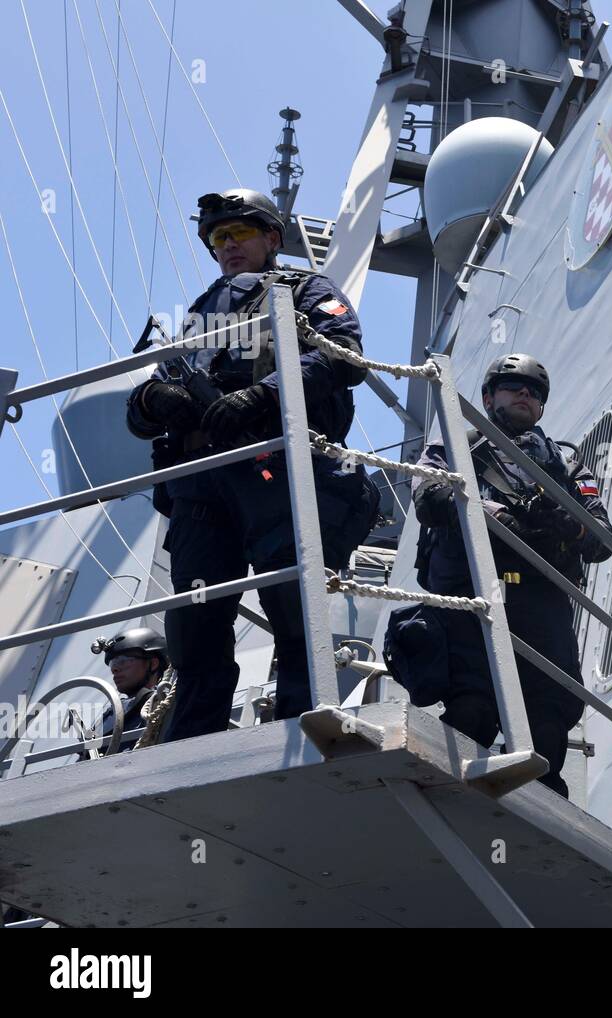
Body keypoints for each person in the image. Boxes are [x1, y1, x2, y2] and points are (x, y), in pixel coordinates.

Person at [125, 188, 378, 741]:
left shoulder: (304, 290)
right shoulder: (197, 316)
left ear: (271, 238)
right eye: (218, 238)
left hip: (274, 470)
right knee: (194, 627)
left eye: (239, 233)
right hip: (201, 490)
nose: (228, 245)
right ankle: (187, 749)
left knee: (293, 612)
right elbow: (143, 405)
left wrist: (263, 394)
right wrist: (153, 401)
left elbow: (342, 351)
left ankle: (299, 735)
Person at [385, 353, 612, 798]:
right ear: (489, 398)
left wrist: (566, 521)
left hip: (541, 601)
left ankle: (541, 813)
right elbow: (429, 495)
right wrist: (486, 512)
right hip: (474, 595)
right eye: (513, 387)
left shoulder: (565, 466)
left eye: (534, 392)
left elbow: (601, 540)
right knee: (472, 708)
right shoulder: (458, 444)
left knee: (547, 720)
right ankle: (444, 799)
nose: (525, 395)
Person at [79, 627, 168, 757]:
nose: (114, 669)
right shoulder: (109, 714)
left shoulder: (166, 701)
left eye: (123, 661)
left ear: (153, 664)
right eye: (113, 663)